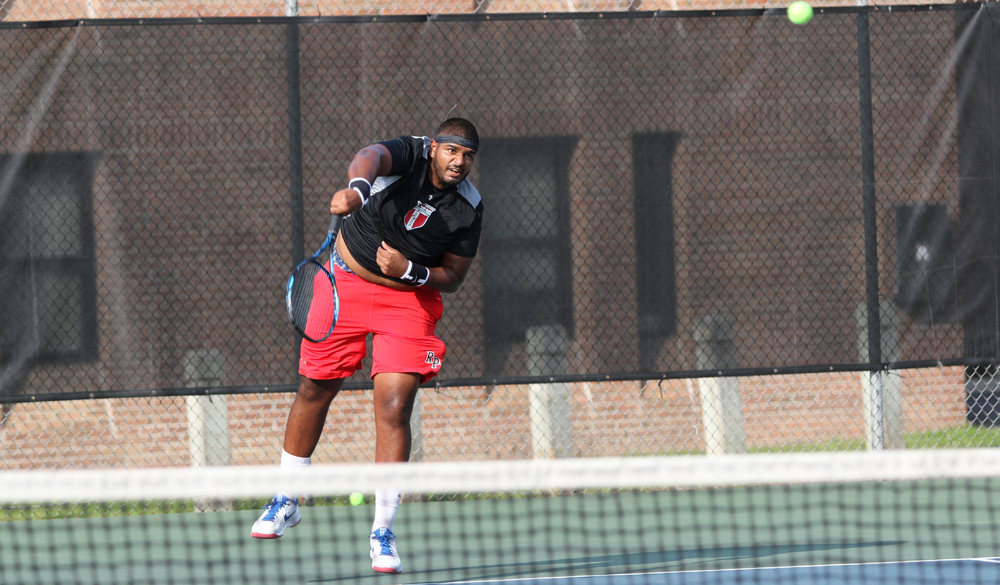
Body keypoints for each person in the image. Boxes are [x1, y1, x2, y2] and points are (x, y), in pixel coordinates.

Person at [250, 117, 484, 575]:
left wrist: (409, 271)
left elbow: (454, 276)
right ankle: (286, 498)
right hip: (345, 282)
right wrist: (358, 190)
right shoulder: (410, 154)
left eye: (468, 156)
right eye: (451, 151)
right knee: (314, 388)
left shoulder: (469, 206)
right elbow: (370, 156)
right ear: (435, 148)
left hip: (409, 300)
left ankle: (383, 531)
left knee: (395, 407)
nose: (459, 161)